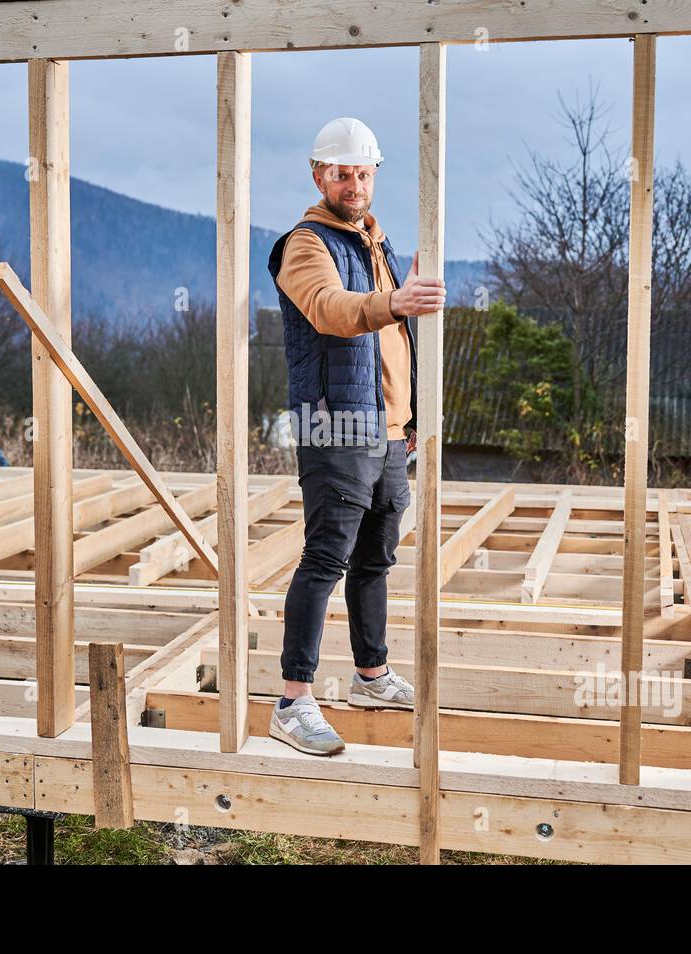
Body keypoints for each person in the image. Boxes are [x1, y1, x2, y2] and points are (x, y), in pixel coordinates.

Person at [264, 117, 446, 756]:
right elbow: (333, 311)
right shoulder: (306, 244)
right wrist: (397, 302)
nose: (353, 183)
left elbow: (393, 343)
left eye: (363, 172)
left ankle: (370, 674)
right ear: (319, 174)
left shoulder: (376, 242)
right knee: (326, 559)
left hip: (388, 433)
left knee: (376, 558)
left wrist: (413, 417)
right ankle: (292, 702)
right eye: (341, 172)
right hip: (336, 426)